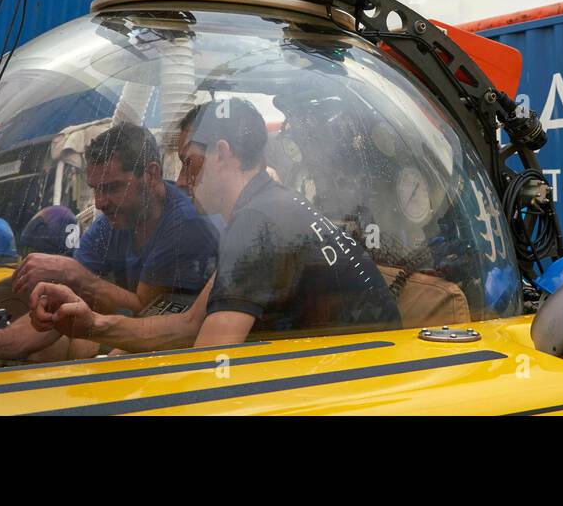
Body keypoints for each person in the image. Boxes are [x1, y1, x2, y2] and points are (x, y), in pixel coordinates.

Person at [28, 98, 400, 351]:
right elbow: (191, 325)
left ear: (222, 154)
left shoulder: (257, 220)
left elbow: (212, 360)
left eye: (190, 163)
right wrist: (92, 324)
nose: (184, 182)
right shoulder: (267, 205)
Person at [0, 121, 218, 364]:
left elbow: (149, 314)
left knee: (80, 345)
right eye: (95, 188)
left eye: (111, 188)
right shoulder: (113, 222)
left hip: (178, 352)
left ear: (150, 174)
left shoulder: (183, 225)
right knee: (47, 346)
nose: (100, 202)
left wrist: (77, 277)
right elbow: (64, 303)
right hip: (135, 335)